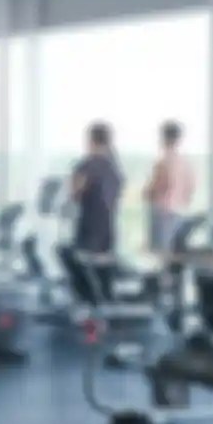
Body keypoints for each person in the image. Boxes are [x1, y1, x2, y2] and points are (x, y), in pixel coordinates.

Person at [71, 122, 126, 297]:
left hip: (89, 231)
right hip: (108, 232)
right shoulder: (115, 168)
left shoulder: (87, 166)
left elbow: (74, 194)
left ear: (91, 140)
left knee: (85, 286)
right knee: (104, 282)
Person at [143, 120, 197, 253]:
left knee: (161, 253)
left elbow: (158, 186)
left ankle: (164, 274)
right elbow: (191, 187)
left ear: (163, 137)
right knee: (174, 251)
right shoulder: (185, 162)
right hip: (179, 211)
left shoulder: (163, 161)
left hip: (163, 211)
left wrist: (147, 192)